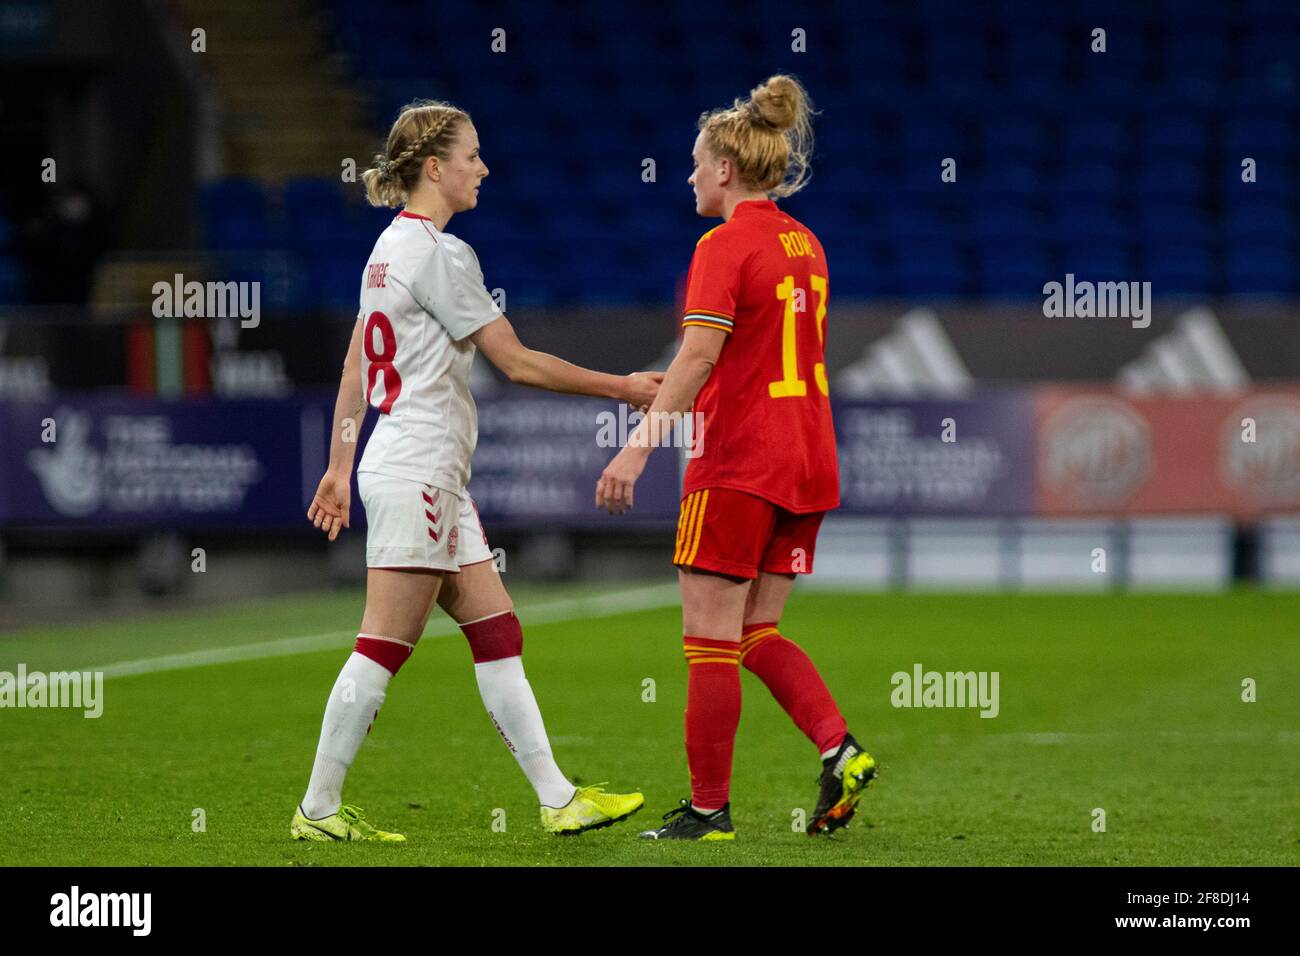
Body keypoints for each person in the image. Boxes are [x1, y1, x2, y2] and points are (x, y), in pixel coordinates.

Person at [293, 99, 658, 842]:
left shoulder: (386, 249)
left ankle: (558, 797)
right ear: (436, 168)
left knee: (497, 629)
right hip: (419, 469)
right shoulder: (440, 254)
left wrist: (338, 465)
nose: (483, 168)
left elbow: (358, 363)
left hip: (422, 471)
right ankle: (319, 811)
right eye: (472, 156)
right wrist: (622, 386)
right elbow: (517, 363)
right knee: (384, 644)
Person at [596, 75, 878, 841]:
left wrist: (635, 450)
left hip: (739, 460)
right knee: (756, 633)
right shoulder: (805, 242)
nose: (688, 174)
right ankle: (838, 747)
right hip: (808, 461)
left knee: (709, 639)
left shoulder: (722, 245)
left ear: (724, 168)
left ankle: (709, 809)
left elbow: (696, 360)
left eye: (694, 162)